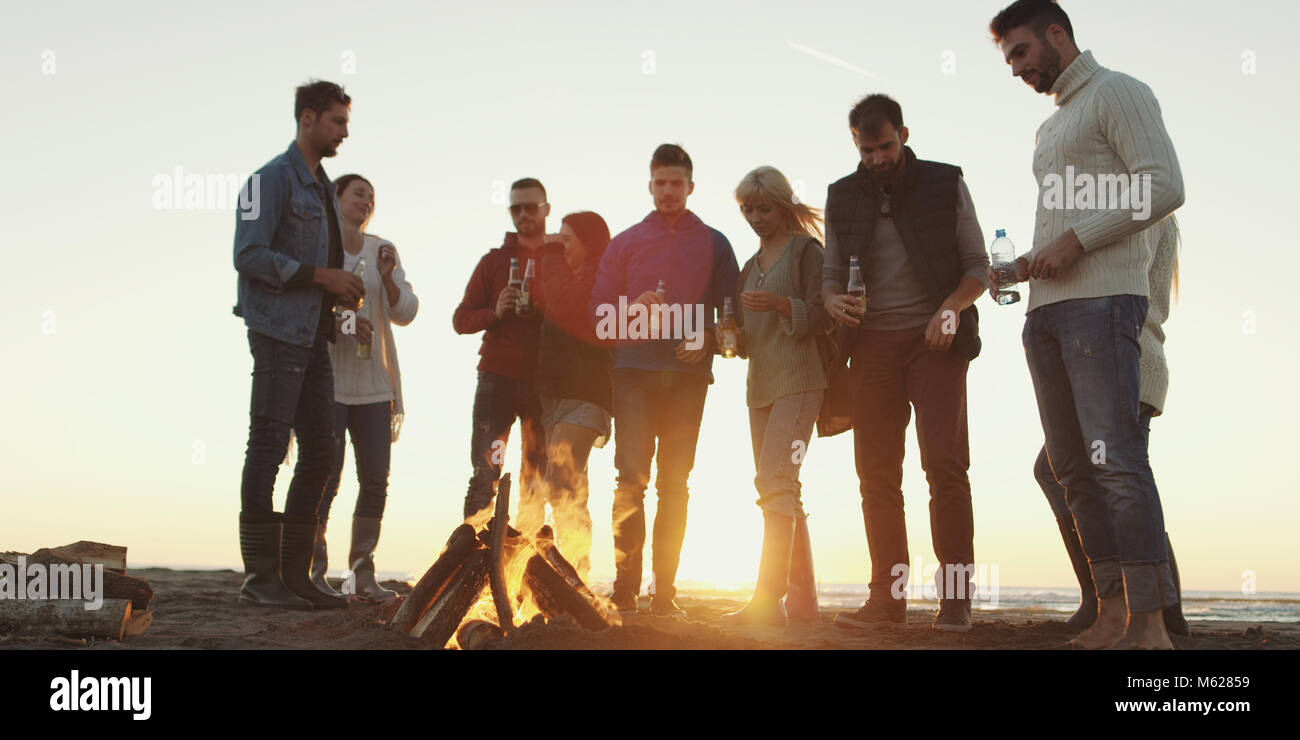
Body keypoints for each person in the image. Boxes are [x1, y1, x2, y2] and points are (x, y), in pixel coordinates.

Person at [989, 0, 1185, 649]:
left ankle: (1150, 625)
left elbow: (1163, 186)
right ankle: (1109, 615)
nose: (1015, 68)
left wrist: (1077, 239)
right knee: (1071, 469)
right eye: (1007, 59)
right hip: (1044, 313)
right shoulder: (1051, 130)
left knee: (1116, 464)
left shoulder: (1118, 92)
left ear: (1055, 33)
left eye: (1020, 52)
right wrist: (1022, 265)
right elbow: (1063, 228)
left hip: (1103, 306)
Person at [823, 94, 991, 633]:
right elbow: (829, 277)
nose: (877, 158)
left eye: (886, 146)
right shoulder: (841, 196)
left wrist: (950, 308)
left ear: (905, 134)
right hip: (869, 348)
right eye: (867, 149)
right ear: (855, 143)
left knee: (944, 466)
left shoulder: (946, 182)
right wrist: (832, 302)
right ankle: (888, 601)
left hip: (934, 343)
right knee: (876, 474)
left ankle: (956, 599)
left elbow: (978, 267)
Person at [589, 144, 739, 616]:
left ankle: (665, 594)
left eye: (677, 183)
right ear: (650, 185)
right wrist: (632, 310)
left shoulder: (716, 243)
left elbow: (734, 320)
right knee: (630, 479)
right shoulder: (626, 242)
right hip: (632, 375)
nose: (669, 191)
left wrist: (711, 337)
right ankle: (626, 589)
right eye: (661, 183)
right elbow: (597, 318)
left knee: (675, 483)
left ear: (691, 187)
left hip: (687, 380)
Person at [232, 80, 359, 610]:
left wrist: (340, 291)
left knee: (323, 450)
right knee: (267, 446)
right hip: (278, 333)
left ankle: (296, 575)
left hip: (315, 336)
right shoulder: (269, 180)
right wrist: (319, 277)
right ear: (308, 118)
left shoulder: (323, 187)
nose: (344, 134)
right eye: (336, 122)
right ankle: (260, 580)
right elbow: (249, 255)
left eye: (346, 124)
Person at [1030, 216, 1188, 636]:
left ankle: (1127, 603)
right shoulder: (1137, 211)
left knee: (1115, 477)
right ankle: (1135, 603)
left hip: (1125, 357)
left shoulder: (1136, 209)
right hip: (1122, 357)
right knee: (1113, 476)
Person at [721, 166, 829, 628]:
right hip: (759, 388)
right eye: (747, 209)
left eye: (763, 208)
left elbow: (827, 314)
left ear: (783, 206)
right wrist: (729, 336)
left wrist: (784, 305)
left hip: (801, 383)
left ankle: (768, 599)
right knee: (784, 488)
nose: (755, 217)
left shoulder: (807, 252)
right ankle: (802, 606)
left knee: (774, 484)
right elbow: (746, 336)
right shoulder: (748, 267)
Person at [309, 174, 419, 604]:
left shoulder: (381, 250)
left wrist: (389, 279)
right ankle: (315, 571)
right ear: (335, 199)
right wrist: (343, 324)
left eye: (371, 197)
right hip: (330, 384)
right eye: (358, 193)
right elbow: (312, 307)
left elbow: (407, 311)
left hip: (375, 386)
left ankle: (361, 571)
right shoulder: (322, 247)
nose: (366, 202)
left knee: (375, 480)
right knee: (325, 478)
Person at [453, 178, 554, 524]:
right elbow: (460, 319)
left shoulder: (560, 258)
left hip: (545, 383)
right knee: (486, 470)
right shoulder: (494, 261)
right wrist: (494, 313)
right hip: (497, 379)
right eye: (516, 208)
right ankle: (473, 558)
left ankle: (527, 565)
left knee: (536, 477)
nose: (524, 214)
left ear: (546, 210)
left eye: (531, 207)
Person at [534, 211, 615, 582]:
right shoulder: (576, 277)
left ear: (590, 244)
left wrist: (549, 254)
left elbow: (567, 307)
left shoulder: (600, 280)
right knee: (570, 488)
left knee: (562, 483)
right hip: (560, 399)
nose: (559, 244)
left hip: (586, 396)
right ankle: (575, 574)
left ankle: (574, 574)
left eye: (567, 240)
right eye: (559, 239)